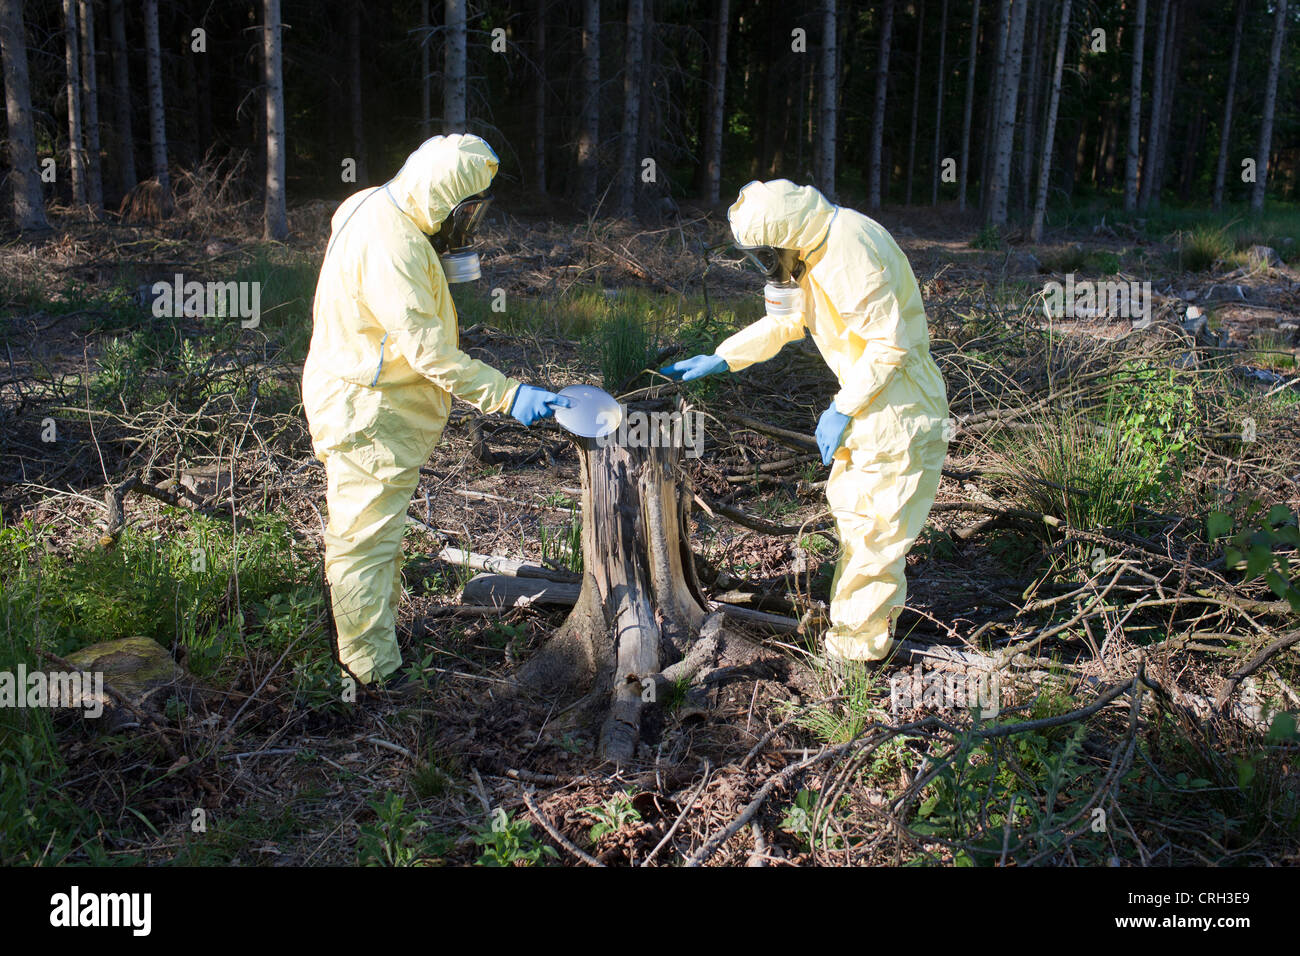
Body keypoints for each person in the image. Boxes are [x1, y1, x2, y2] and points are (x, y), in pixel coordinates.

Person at [302, 134, 566, 685]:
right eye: (464, 210)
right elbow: (428, 354)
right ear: (444, 199)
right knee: (363, 545)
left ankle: (379, 636)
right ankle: (371, 675)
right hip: (366, 408)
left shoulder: (373, 202)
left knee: (379, 532)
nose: (468, 220)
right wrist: (510, 394)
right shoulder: (392, 244)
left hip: (367, 394)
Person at [662, 179, 949, 662]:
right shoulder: (810, 248)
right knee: (857, 520)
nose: (764, 261)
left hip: (899, 404)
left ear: (784, 237)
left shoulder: (849, 247)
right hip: (871, 402)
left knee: (875, 533)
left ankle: (857, 659)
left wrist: (842, 406)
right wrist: (722, 356)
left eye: (764, 251)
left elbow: (889, 345)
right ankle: (852, 634)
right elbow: (785, 322)